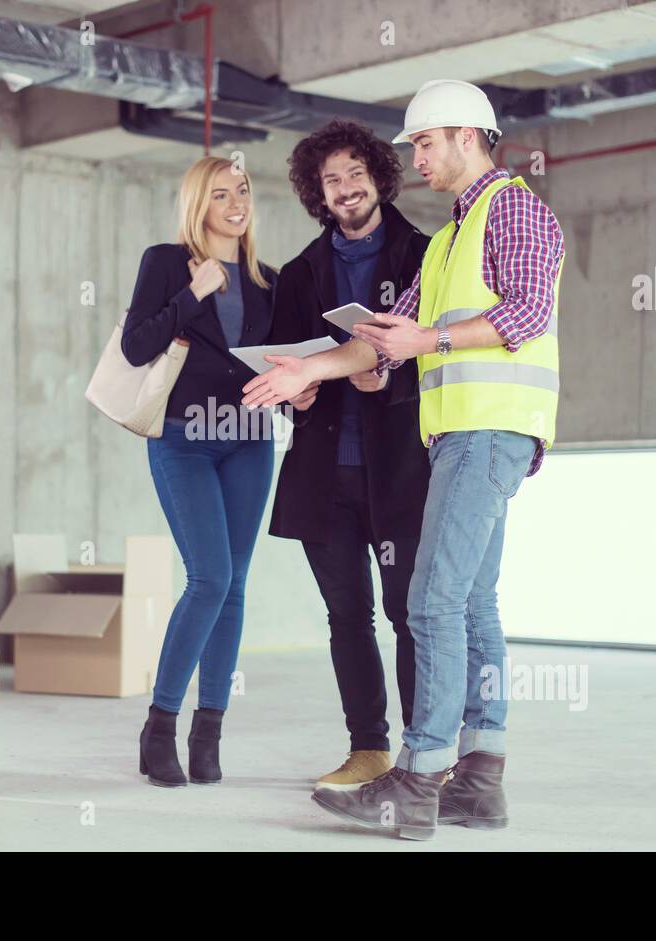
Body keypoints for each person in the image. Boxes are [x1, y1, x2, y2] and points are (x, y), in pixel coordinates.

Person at [241, 80, 565, 840]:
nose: (415, 157)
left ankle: (417, 780)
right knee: (474, 607)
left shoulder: (510, 206)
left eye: (423, 142)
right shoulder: (453, 234)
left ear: (465, 136)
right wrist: (306, 371)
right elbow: (385, 338)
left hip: (490, 428)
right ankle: (480, 780)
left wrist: (428, 342)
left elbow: (525, 310)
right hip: (462, 433)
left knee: (429, 604)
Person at [267, 120, 431, 789]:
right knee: (347, 616)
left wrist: (387, 375)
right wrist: (297, 398)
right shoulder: (301, 272)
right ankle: (369, 749)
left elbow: (441, 351)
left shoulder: (423, 254)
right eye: (330, 179)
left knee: (410, 613)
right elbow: (285, 363)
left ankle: (427, 755)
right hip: (325, 475)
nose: (345, 188)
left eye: (354, 173)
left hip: (400, 471)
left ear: (377, 176)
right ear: (318, 192)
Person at [122, 155, 279, 788]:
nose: (236, 202)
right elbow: (137, 346)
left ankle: (208, 732)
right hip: (184, 439)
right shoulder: (165, 262)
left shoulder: (269, 281)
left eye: (242, 189)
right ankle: (159, 726)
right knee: (209, 577)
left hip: (248, 440)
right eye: (221, 194)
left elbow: (277, 358)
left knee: (236, 584)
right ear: (198, 205)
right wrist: (195, 293)